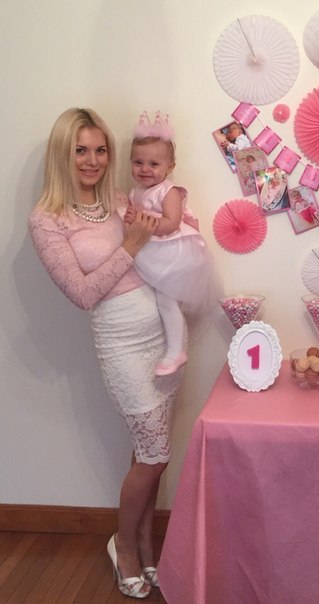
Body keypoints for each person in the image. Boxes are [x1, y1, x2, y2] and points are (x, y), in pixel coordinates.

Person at [28, 108, 184, 599]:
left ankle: (145, 542)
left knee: (151, 453)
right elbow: (82, 293)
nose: (92, 160)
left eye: (100, 150)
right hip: (120, 342)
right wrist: (131, 245)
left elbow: (161, 241)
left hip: (162, 336)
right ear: (62, 154)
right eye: (80, 150)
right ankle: (124, 545)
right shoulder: (46, 220)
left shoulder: (119, 199)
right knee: (155, 455)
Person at [128, 112, 210, 375]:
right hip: (151, 252)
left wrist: (142, 221)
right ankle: (167, 348)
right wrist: (131, 220)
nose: (145, 169)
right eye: (138, 162)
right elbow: (134, 224)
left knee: (166, 301)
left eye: (154, 164)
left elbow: (171, 223)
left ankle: (176, 351)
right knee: (155, 300)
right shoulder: (135, 191)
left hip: (172, 253)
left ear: (170, 167)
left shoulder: (169, 191)